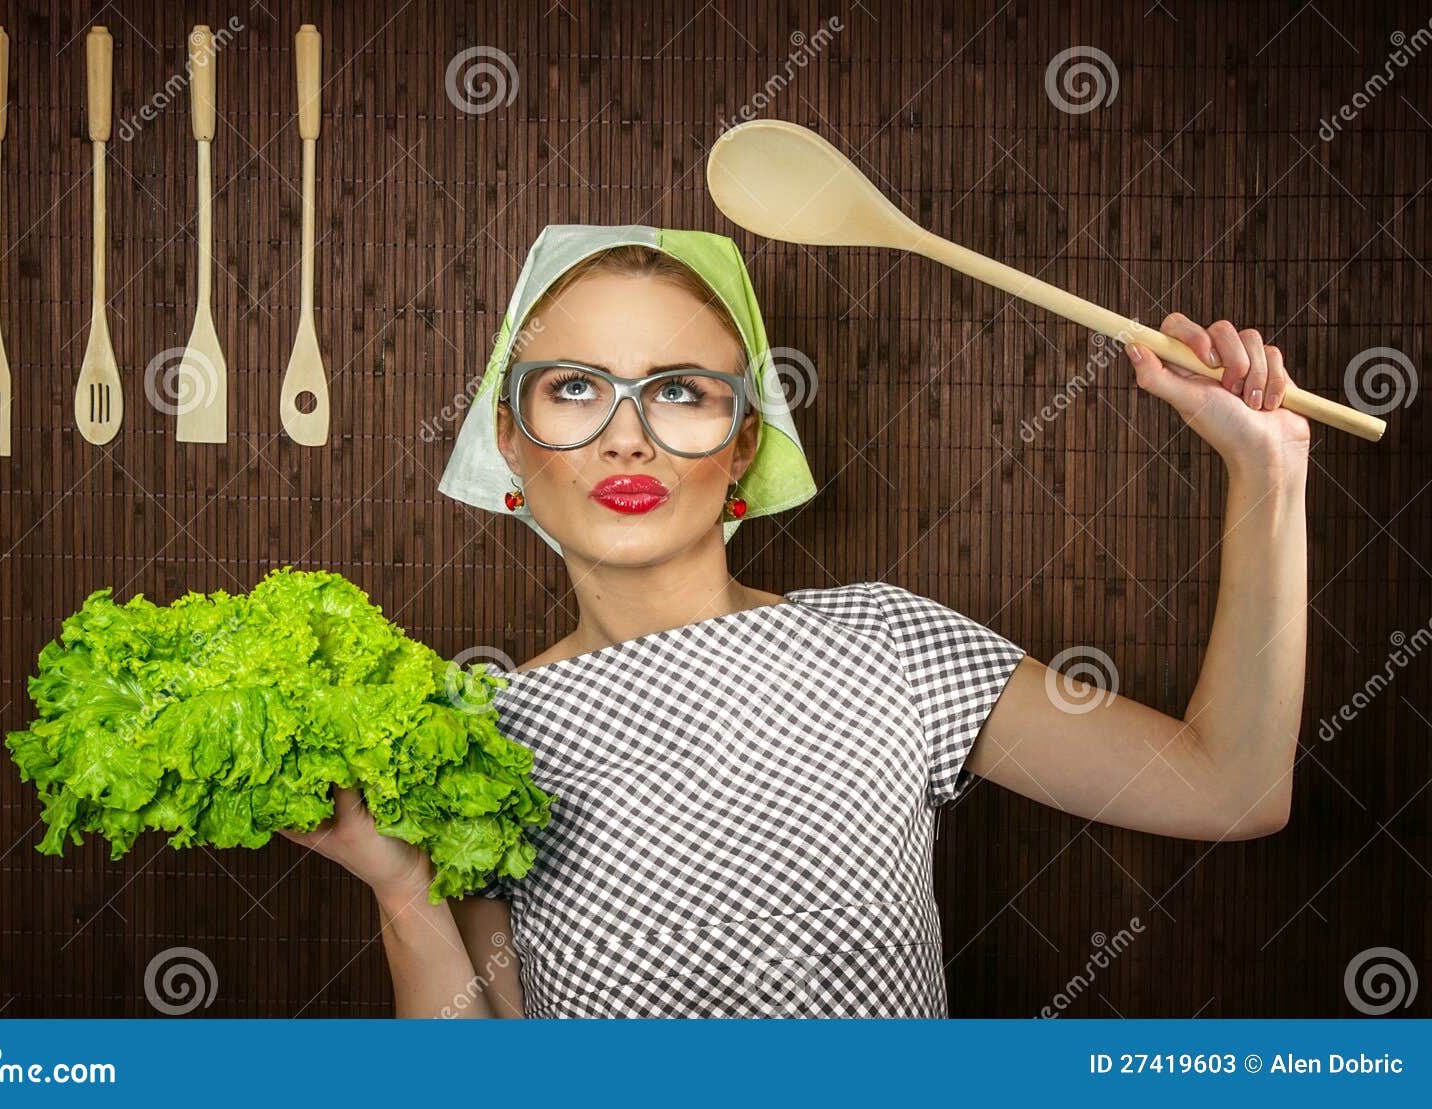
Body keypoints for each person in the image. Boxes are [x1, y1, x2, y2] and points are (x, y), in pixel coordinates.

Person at [283, 224, 1308, 1018]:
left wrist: (1266, 474)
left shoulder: (891, 646)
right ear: (509, 438)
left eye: (678, 390)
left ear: (740, 441)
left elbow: (1232, 785)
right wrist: (402, 885)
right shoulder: (475, 737)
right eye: (573, 388)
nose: (625, 437)